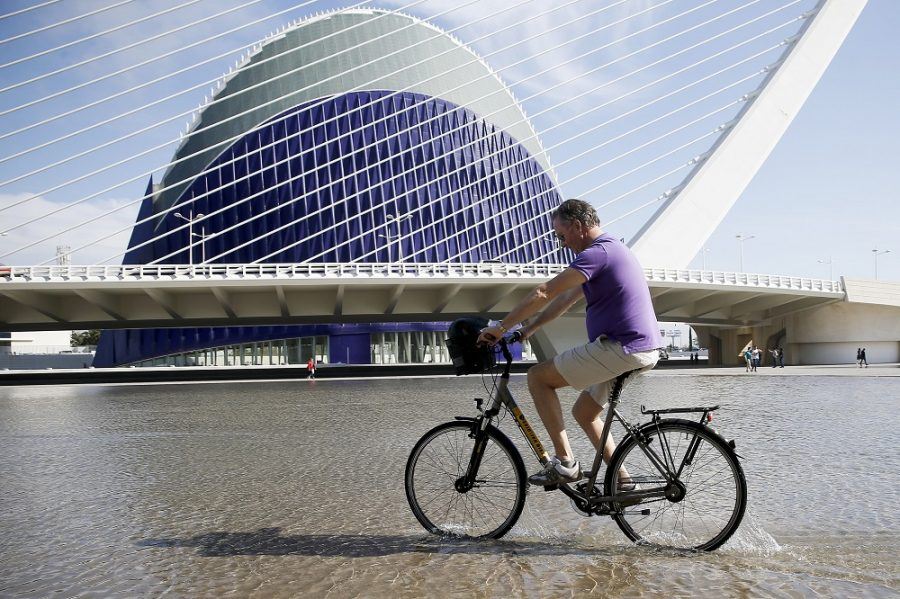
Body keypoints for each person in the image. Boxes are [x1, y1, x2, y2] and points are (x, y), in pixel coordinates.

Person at [477, 199, 662, 486]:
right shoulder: (611, 250)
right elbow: (565, 299)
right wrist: (529, 329)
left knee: (538, 377)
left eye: (561, 236)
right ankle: (623, 482)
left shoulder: (598, 252)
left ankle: (565, 463)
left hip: (622, 348)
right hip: (637, 348)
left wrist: (501, 328)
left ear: (577, 226)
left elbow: (544, 292)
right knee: (584, 413)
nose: (561, 244)